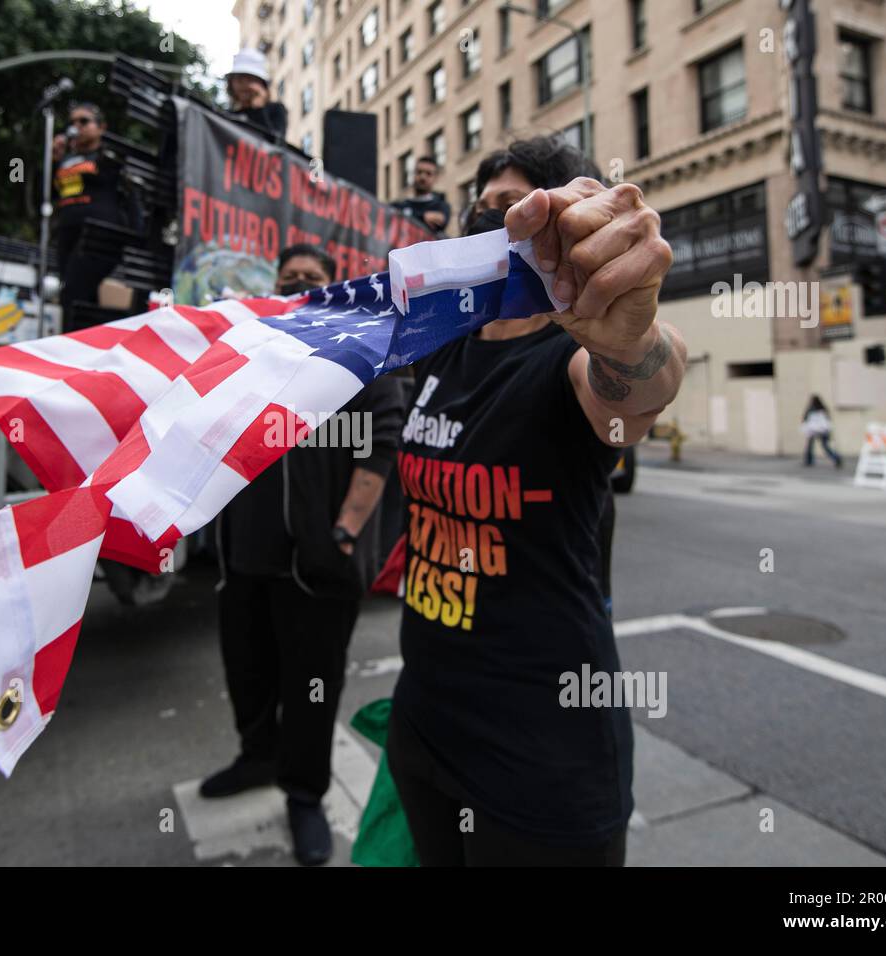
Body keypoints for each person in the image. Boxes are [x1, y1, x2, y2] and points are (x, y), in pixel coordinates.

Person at [386, 136, 687, 866]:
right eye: (482, 208)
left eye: (513, 208)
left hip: (542, 760)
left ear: (556, 229)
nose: (493, 220)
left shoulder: (570, 358)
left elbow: (641, 386)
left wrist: (630, 339)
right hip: (425, 727)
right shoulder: (444, 346)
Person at [202, 243, 407, 866]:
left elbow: (382, 442)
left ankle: (303, 792)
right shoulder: (252, 351)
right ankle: (257, 755)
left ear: (330, 287)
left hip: (319, 565)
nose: (298, 284)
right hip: (242, 557)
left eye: (311, 278)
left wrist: (345, 532)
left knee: (312, 685)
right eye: (288, 278)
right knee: (248, 671)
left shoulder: (360, 349)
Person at [51, 102, 143, 330]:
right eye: (72, 122)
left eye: (84, 121)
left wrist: (138, 236)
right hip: (67, 234)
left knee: (73, 293)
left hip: (99, 235)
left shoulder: (109, 158)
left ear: (101, 127)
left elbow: (131, 196)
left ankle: (70, 350)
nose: (76, 127)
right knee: (79, 295)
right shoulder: (63, 160)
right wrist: (53, 158)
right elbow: (41, 192)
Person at [225, 49, 288, 143]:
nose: (244, 86)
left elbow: (276, 144)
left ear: (262, 85)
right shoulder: (228, 115)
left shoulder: (276, 110)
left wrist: (259, 109)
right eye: (239, 80)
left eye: (250, 80)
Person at [392, 156, 452, 236]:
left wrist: (408, 216)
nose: (423, 177)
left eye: (428, 174)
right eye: (419, 172)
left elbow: (441, 222)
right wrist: (423, 217)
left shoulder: (441, 206)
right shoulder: (398, 206)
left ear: (436, 178)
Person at [802, 395, 842, 467]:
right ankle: (836, 457)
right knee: (825, 446)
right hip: (823, 430)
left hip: (813, 430)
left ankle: (809, 460)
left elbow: (805, 418)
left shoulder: (811, 409)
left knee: (810, 446)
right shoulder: (823, 409)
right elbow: (828, 420)